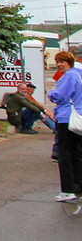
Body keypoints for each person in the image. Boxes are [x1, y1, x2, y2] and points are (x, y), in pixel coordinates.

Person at [47, 50, 82, 202]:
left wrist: (51, 93)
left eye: (62, 61)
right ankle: (78, 186)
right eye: (58, 61)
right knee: (77, 153)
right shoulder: (79, 74)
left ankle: (67, 190)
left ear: (69, 62)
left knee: (64, 154)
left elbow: (60, 96)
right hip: (78, 117)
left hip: (66, 118)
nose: (59, 65)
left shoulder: (69, 76)